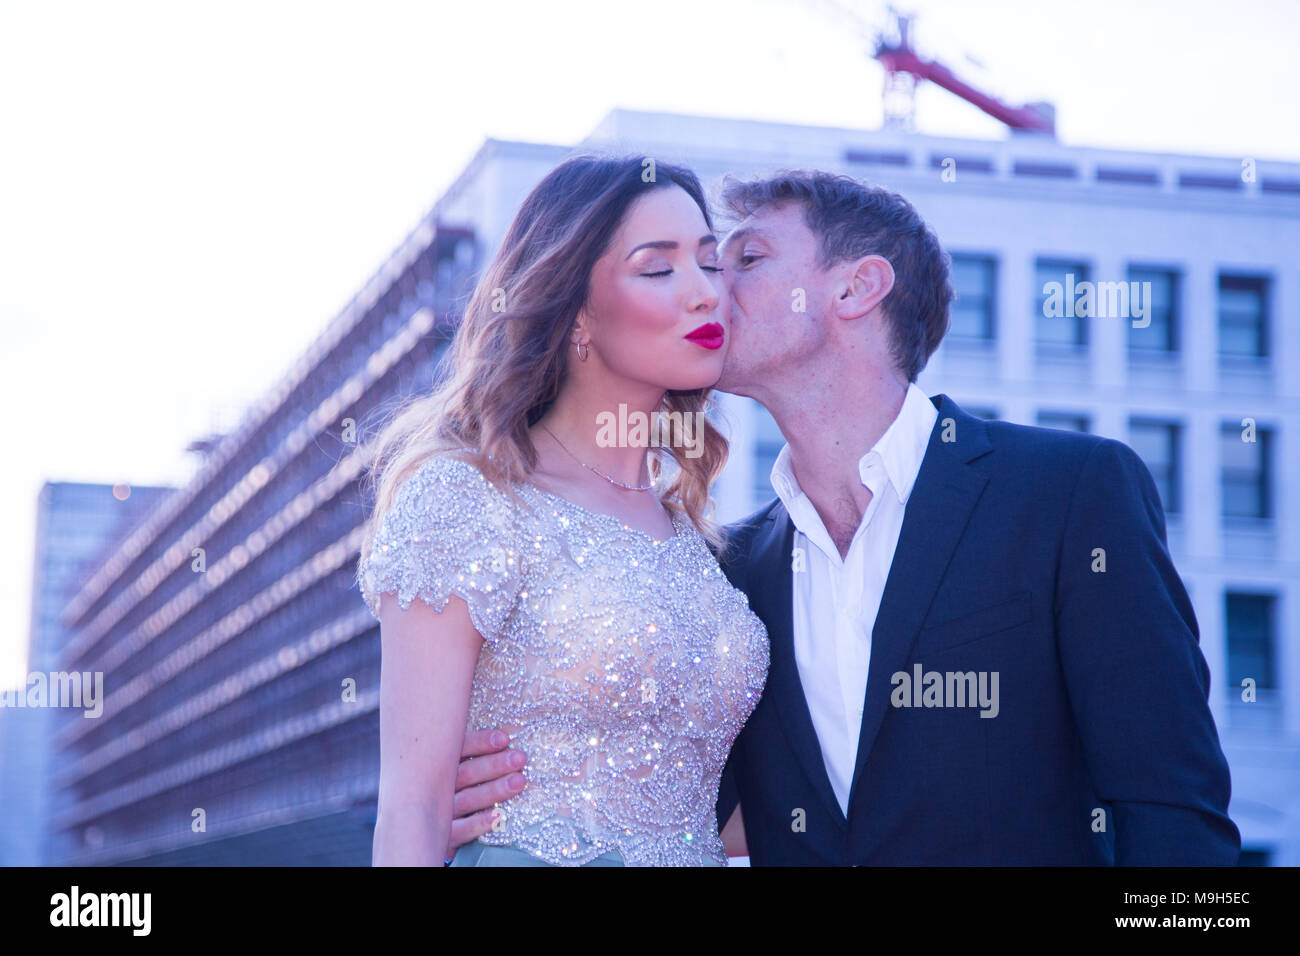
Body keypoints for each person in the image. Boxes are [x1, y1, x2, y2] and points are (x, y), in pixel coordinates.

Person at [451, 169, 1241, 865]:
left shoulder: (1069, 495)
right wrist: (504, 803)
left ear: (857, 288)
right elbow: (695, 804)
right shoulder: (727, 576)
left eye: (744, 261)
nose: (706, 291)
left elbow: (1173, 812)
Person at [357, 154, 769, 867]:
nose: (706, 293)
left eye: (710, 262)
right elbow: (411, 810)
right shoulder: (466, 499)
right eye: (657, 267)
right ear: (576, 309)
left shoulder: (691, 537)